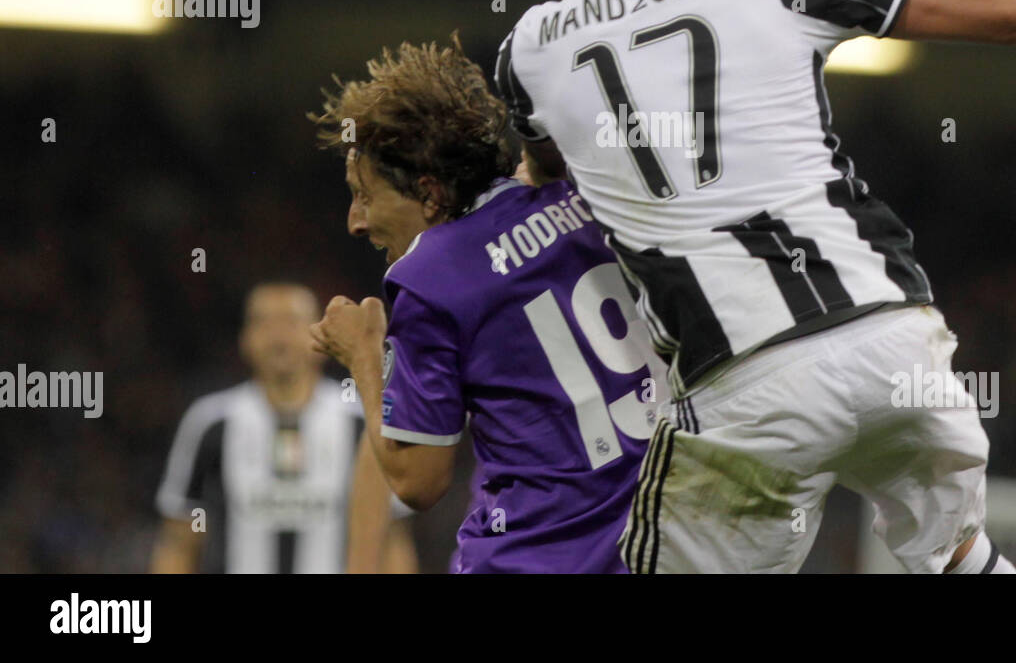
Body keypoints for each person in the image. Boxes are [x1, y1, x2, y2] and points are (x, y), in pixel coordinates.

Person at [495, 0, 1016, 573]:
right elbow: (1008, 4)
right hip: (895, 339)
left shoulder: (530, 52)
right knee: (960, 559)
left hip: (747, 381)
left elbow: (541, 177)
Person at [308, 38, 665, 573]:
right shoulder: (578, 201)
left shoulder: (428, 277)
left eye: (365, 195)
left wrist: (362, 354)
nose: (355, 221)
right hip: (660, 539)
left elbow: (417, 482)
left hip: (533, 555)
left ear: (429, 194)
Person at [152, 281, 416, 573]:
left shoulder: (360, 423)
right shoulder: (211, 422)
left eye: (291, 322)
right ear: (245, 338)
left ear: (320, 335)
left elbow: (392, 539)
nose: (278, 337)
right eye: (263, 323)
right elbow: (178, 541)